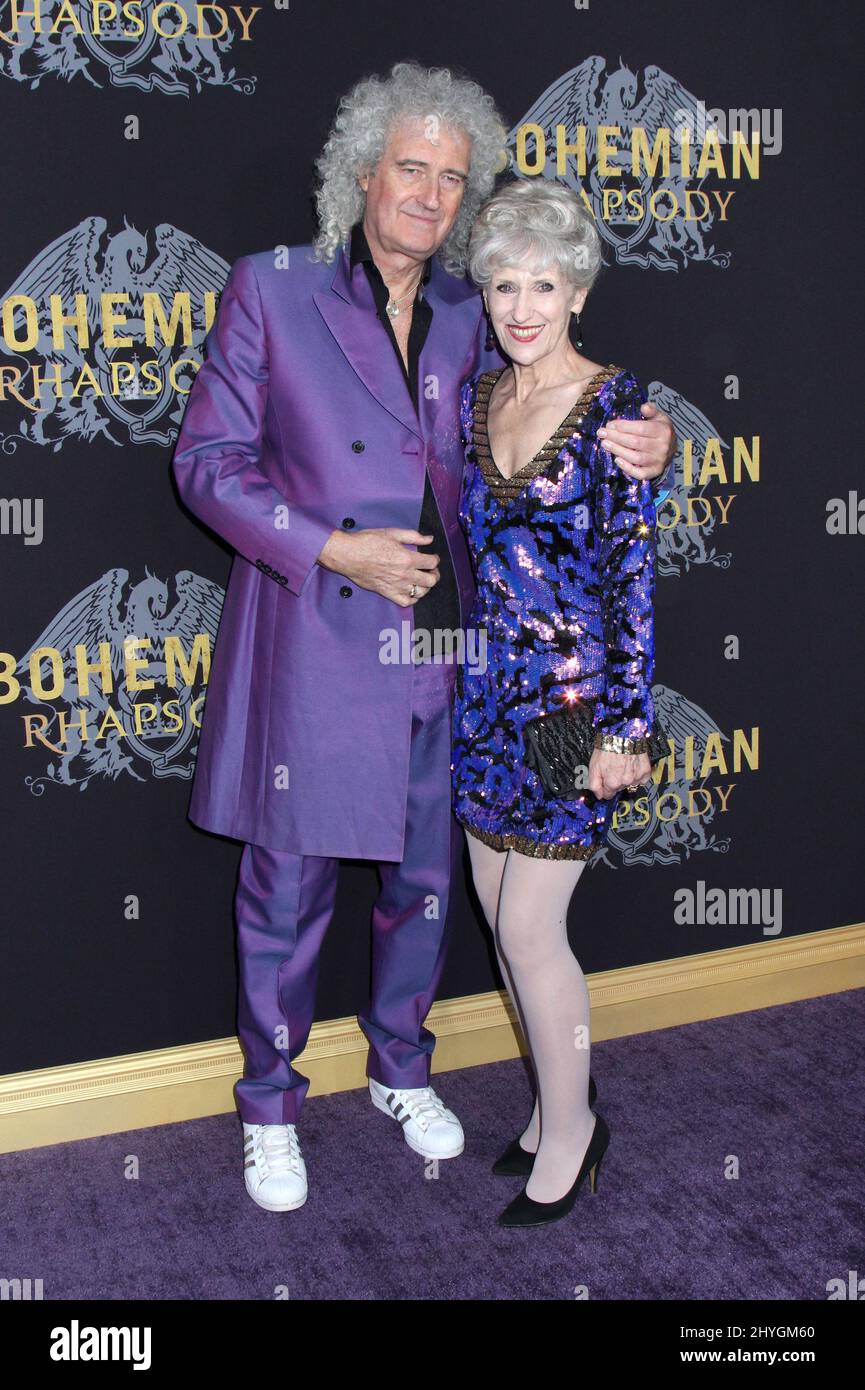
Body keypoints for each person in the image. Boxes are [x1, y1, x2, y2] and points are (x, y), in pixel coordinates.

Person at [171, 62, 676, 1214]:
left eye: (453, 178)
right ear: (362, 172)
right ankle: (270, 1104)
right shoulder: (274, 287)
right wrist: (328, 546)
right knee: (287, 893)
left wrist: (651, 441)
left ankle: (401, 1068)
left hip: (444, 656)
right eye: (412, 167)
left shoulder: (472, 309)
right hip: (311, 639)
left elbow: (552, 423)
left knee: (421, 887)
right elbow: (204, 464)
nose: (430, 195)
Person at [451, 178, 660, 1227]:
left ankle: (574, 1134)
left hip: (572, 715)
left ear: (577, 289)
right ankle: (553, 1103)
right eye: (501, 285)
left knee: (534, 932)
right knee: (498, 922)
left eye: (542, 283)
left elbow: (632, 576)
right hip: (484, 704)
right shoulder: (475, 397)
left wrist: (626, 722)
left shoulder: (621, 413)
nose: (521, 306)